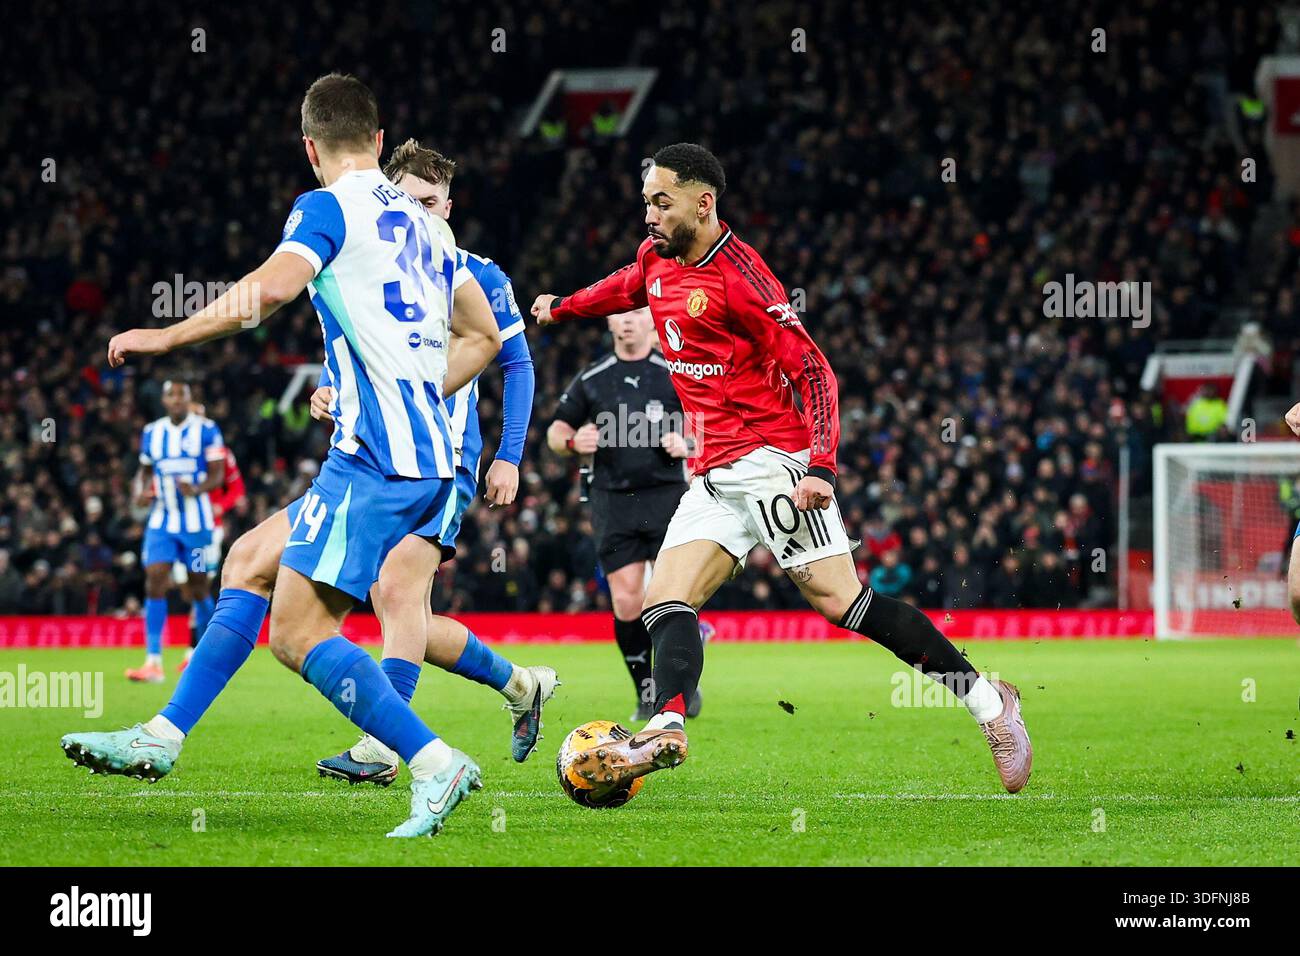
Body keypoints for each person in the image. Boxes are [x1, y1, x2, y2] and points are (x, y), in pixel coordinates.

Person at [61, 73, 502, 838]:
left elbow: (267, 293)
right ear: (377, 138)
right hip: (421, 458)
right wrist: (417, 391)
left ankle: (433, 761)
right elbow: (484, 337)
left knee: (296, 635)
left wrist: (162, 337)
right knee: (248, 561)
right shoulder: (434, 229)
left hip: (376, 460)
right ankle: (161, 737)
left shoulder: (325, 207)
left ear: (309, 148)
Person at [533, 143, 1032, 799]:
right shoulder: (657, 258)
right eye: (647, 201)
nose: (650, 215)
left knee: (842, 602)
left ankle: (990, 706)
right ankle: (668, 722)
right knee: (665, 600)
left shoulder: (743, 279)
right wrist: (562, 306)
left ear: (703, 203)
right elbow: (625, 284)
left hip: (772, 460)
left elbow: (814, 371)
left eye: (663, 201)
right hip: (713, 473)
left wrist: (820, 466)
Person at [310, 139, 556, 785]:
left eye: (431, 202)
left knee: (394, 591)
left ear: (447, 205)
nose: (420, 212)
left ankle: (381, 747)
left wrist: (507, 456)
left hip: (444, 457)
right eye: (409, 201)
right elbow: (352, 358)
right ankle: (521, 684)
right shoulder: (367, 272)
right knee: (401, 609)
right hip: (373, 455)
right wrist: (330, 391)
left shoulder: (477, 272)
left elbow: (518, 365)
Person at [547, 307, 703, 721]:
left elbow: (706, 421)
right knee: (627, 601)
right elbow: (555, 430)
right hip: (613, 501)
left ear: (653, 321)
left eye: (637, 313)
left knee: (674, 595)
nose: (628, 320)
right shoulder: (594, 377)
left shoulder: (674, 370)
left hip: (668, 495)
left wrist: (688, 442)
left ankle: (682, 684)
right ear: (609, 323)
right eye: (619, 315)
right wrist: (571, 441)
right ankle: (647, 693)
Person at [127, 380, 224, 683]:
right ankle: (153, 661)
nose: (177, 400)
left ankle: (206, 654)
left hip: (196, 527)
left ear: (188, 398)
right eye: (171, 395)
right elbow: (143, 472)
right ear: (165, 400)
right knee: (155, 577)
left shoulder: (207, 429)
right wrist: (140, 492)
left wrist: (195, 488)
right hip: (162, 523)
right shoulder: (152, 433)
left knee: (197, 586)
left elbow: (218, 474)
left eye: (182, 394)